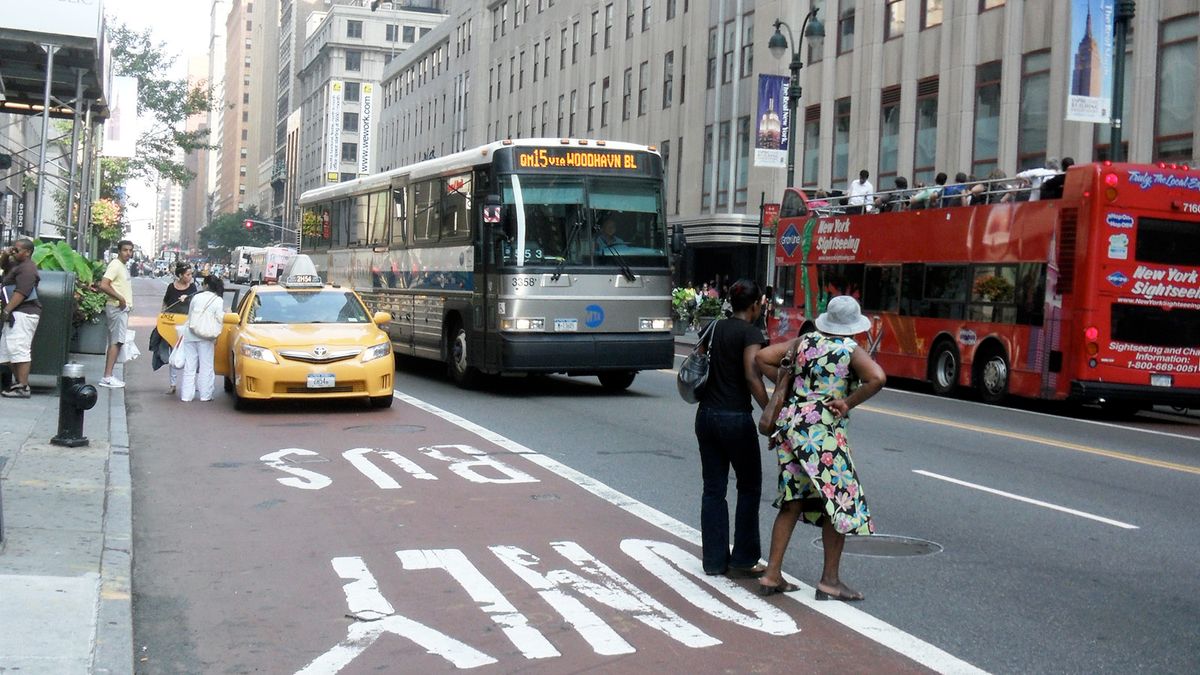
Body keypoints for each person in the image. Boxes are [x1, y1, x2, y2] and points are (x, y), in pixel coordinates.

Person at [753, 295, 886, 601]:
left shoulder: (803, 342)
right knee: (839, 501)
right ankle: (829, 580)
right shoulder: (848, 349)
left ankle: (771, 574)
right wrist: (846, 402)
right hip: (822, 433)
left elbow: (762, 358)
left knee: (793, 499)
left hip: (790, 426)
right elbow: (877, 378)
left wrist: (795, 389)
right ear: (853, 326)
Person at [694, 279, 770, 577]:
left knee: (713, 489)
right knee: (749, 486)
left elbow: (699, 358)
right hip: (735, 417)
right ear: (754, 305)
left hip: (706, 415)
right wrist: (770, 410)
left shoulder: (714, 327)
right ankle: (743, 557)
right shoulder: (751, 332)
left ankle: (713, 561)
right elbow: (753, 376)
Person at [0, 239, 42, 398]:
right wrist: (6, 253)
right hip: (15, 314)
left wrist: (7, 309)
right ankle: (18, 383)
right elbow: (3, 266)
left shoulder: (28, 269)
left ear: (27, 252)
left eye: (17, 250)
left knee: (20, 350)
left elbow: (22, 292)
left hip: (23, 313)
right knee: (8, 352)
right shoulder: (16, 264)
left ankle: (23, 387)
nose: (13, 252)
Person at [179, 275, 225, 402]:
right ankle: (205, 395)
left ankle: (186, 396)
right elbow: (220, 319)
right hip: (206, 336)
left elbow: (190, 315)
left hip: (191, 333)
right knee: (206, 366)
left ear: (205, 285)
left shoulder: (196, 297)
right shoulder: (218, 300)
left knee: (190, 366)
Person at [97, 240, 135, 388]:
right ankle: (107, 376)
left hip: (121, 308)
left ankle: (109, 375)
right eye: (125, 250)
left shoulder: (123, 266)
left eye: (130, 250)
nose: (128, 253)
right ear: (119, 251)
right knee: (116, 342)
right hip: (117, 308)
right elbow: (104, 284)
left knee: (117, 342)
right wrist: (120, 298)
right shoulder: (115, 265)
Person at [160, 262, 197, 395]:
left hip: (187, 323)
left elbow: (196, 303)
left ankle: (191, 382)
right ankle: (173, 384)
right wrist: (161, 317)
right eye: (188, 274)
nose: (190, 277)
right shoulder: (171, 287)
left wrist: (187, 299)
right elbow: (165, 302)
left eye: (191, 274)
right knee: (173, 353)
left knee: (190, 353)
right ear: (180, 275)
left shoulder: (192, 287)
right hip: (171, 323)